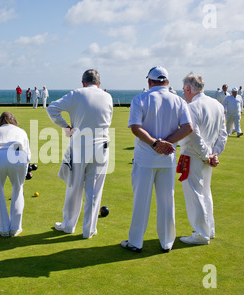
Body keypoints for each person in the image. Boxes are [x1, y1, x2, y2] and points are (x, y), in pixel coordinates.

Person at [121, 66, 193, 253]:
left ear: (149, 81)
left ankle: (135, 242)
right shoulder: (178, 100)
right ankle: (167, 242)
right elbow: (187, 128)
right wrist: (166, 143)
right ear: (167, 82)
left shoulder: (140, 99)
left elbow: (135, 127)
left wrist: (156, 144)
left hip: (145, 159)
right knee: (167, 201)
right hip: (167, 160)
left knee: (141, 202)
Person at [46, 69, 113, 239]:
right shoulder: (108, 97)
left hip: (79, 146)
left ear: (83, 82)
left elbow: (52, 108)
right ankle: (89, 230)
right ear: (99, 83)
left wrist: (66, 127)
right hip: (101, 146)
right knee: (94, 190)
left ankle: (68, 225)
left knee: (74, 186)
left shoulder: (77, 94)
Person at [178, 73, 228, 245]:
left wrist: (208, 155)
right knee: (205, 193)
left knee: (195, 194)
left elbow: (194, 135)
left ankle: (200, 233)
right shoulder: (217, 105)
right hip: (207, 157)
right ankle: (209, 229)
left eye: (184, 90)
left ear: (188, 88)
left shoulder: (191, 107)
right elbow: (223, 134)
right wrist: (214, 154)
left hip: (194, 155)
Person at [0, 112, 31, 237]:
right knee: (18, 189)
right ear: (14, 121)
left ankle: (4, 229)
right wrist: (26, 169)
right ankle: (15, 228)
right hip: (18, 155)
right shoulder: (21, 131)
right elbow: (28, 153)